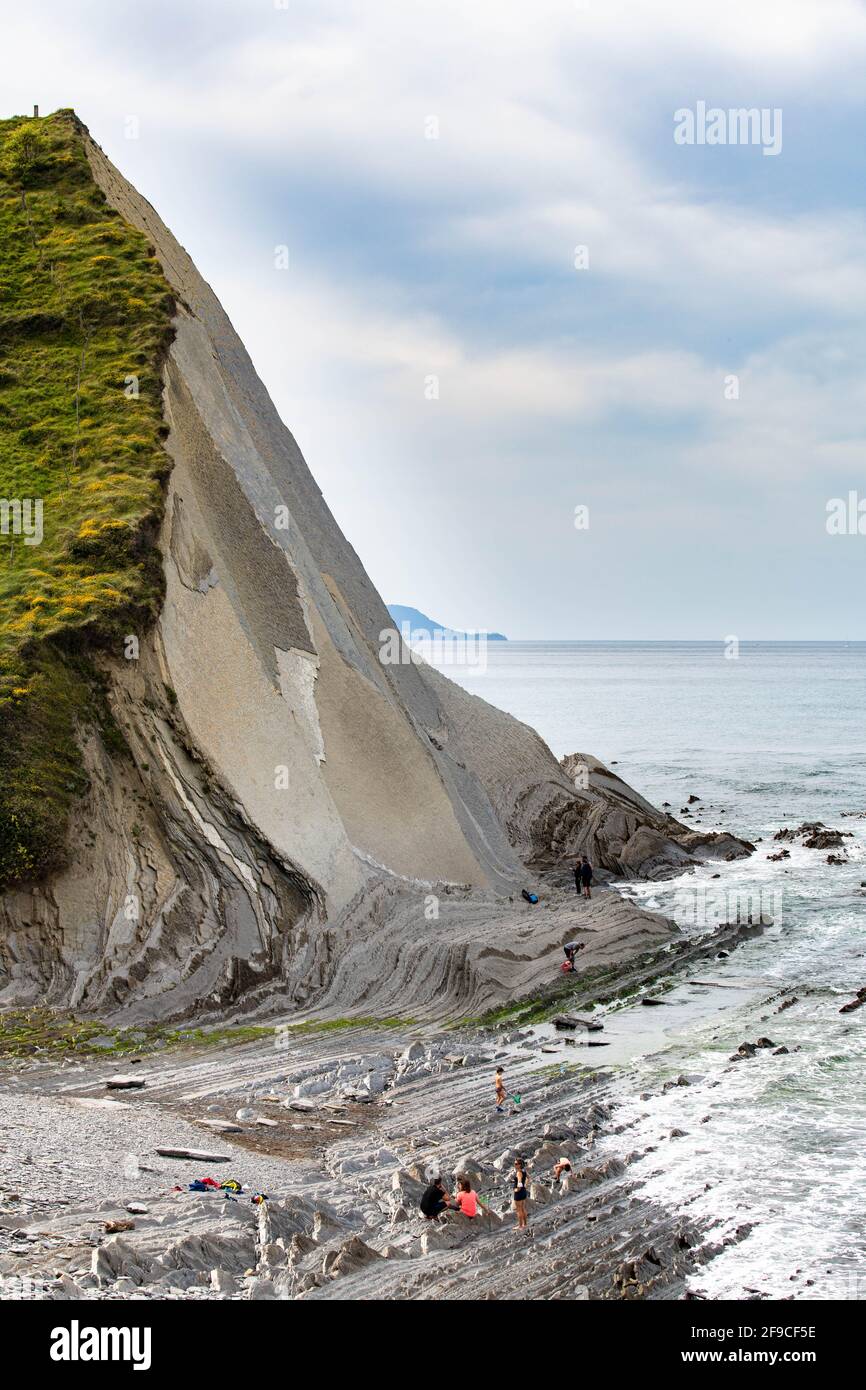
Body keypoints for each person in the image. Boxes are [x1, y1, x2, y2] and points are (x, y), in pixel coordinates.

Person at [511, 1157, 529, 1230]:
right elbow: (529, 1178)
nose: (514, 1165)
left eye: (516, 1164)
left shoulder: (518, 1172)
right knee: (522, 1208)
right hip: (523, 1192)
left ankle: (520, 1226)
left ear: (520, 1165)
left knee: (519, 1210)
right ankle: (525, 1224)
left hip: (519, 1193)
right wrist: (526, 1185)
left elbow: (519, 1181)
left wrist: (517, 1189)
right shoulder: (524, 1171)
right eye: (514, 1164)